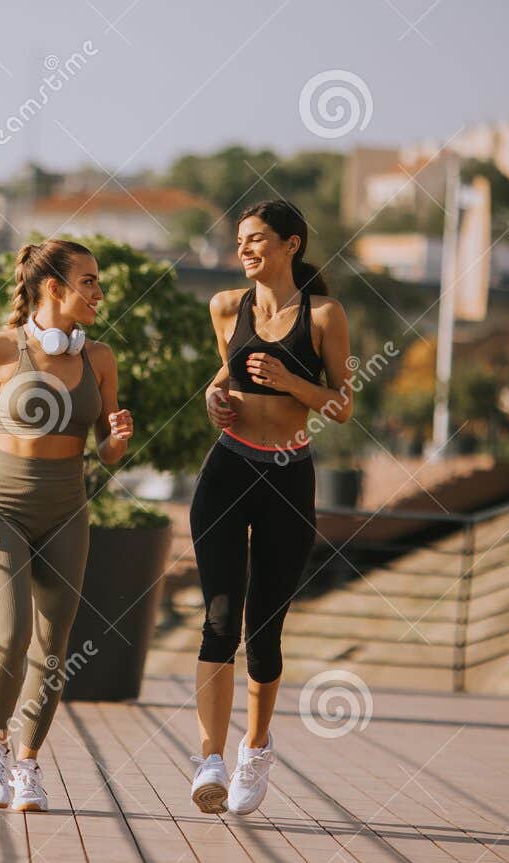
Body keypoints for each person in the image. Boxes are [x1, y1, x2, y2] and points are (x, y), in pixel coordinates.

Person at [0, 239, 133, 813]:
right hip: (2, 509)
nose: (99, 292)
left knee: (53, 647)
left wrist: (117, 438)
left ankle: (27, 765)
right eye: (89, 281)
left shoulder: (100, 359)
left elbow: (109, 452)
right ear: (54, 287)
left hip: (68, 510)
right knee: (11, 633)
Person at [189, 200, 353, 817]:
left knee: (264, 631)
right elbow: (223, 375)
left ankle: (254, 750)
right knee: (219, 619)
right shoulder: (226, 307)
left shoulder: (324, 317)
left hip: (289, 477)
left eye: (257, 239)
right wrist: (213, 398)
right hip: (228, 470)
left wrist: (292, 384)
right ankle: (209, 757)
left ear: (292, 244)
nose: (246, 250)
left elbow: (342, 405)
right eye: (240, 241)